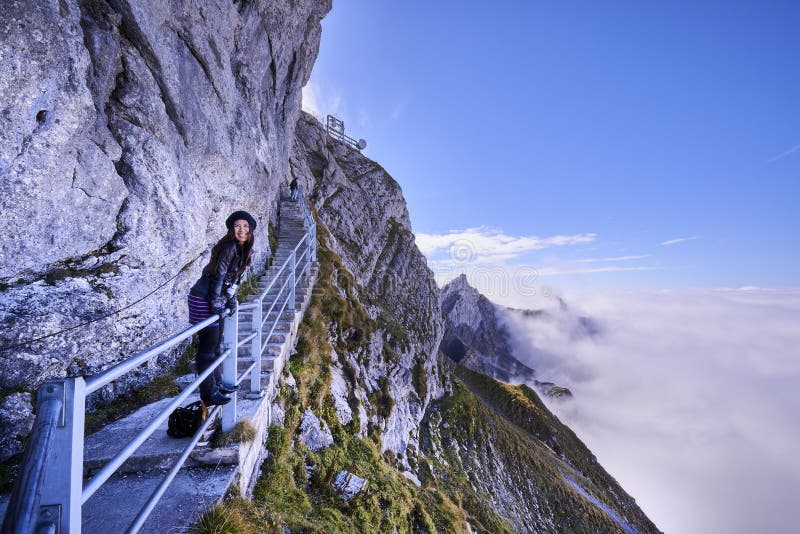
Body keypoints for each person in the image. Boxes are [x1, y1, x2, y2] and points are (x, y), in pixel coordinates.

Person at [187, 210, 256, 405]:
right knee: (207, 349)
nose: (241, 229)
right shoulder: (229, 248)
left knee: (216, 346)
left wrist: (231, 301)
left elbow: (233, 280)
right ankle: (208, 393)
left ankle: (217, 385)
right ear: (231, 229)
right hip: (203, 298)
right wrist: (217, 302)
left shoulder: (243, 250)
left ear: (250, 230)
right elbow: (218, 277)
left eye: (245, 226)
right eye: (237, 226)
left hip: (214, 299)